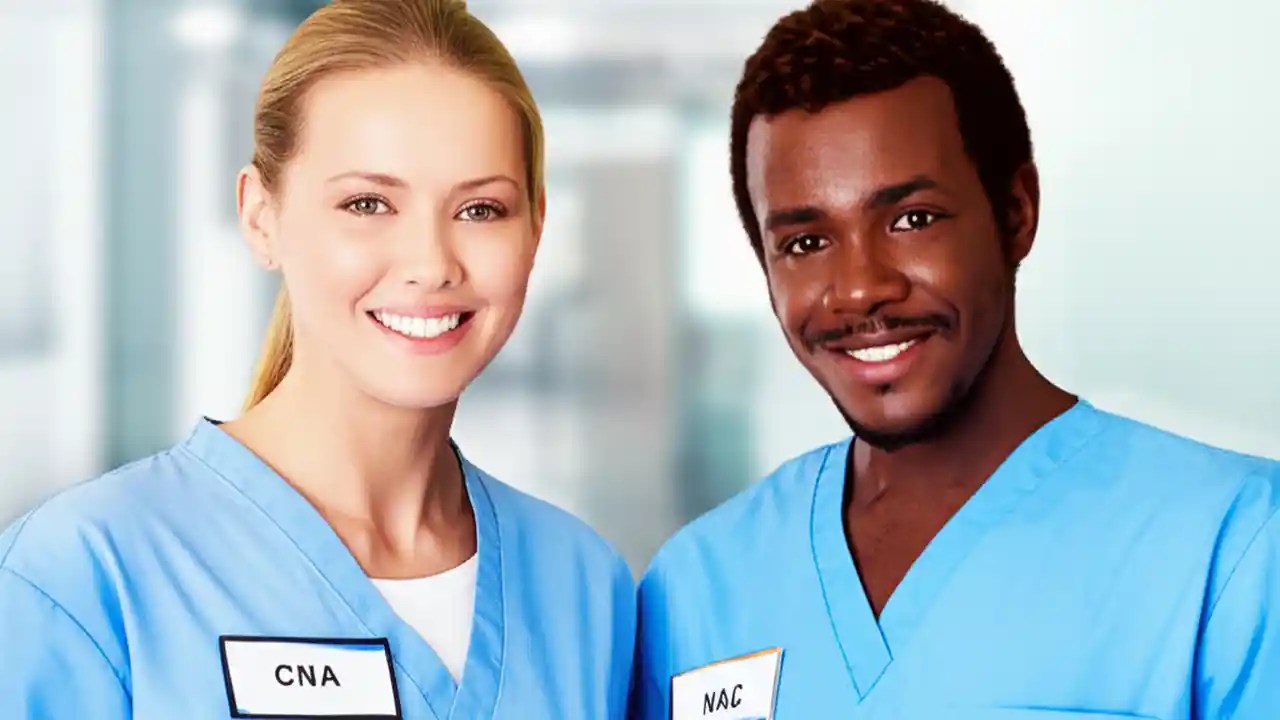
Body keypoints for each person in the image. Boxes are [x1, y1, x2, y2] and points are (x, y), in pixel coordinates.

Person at [631, 1, 1280, 718]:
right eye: (805, 243)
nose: (859, 288)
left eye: (912, 220)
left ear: (1016, 213)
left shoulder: (1236, 549)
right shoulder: (695, 590)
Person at [0, 1, 634, 717]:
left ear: (536, 228)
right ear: (260, 216)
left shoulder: (585, 590)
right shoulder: (82, 579)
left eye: (480, 210)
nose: (431, 264)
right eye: (367, 204)